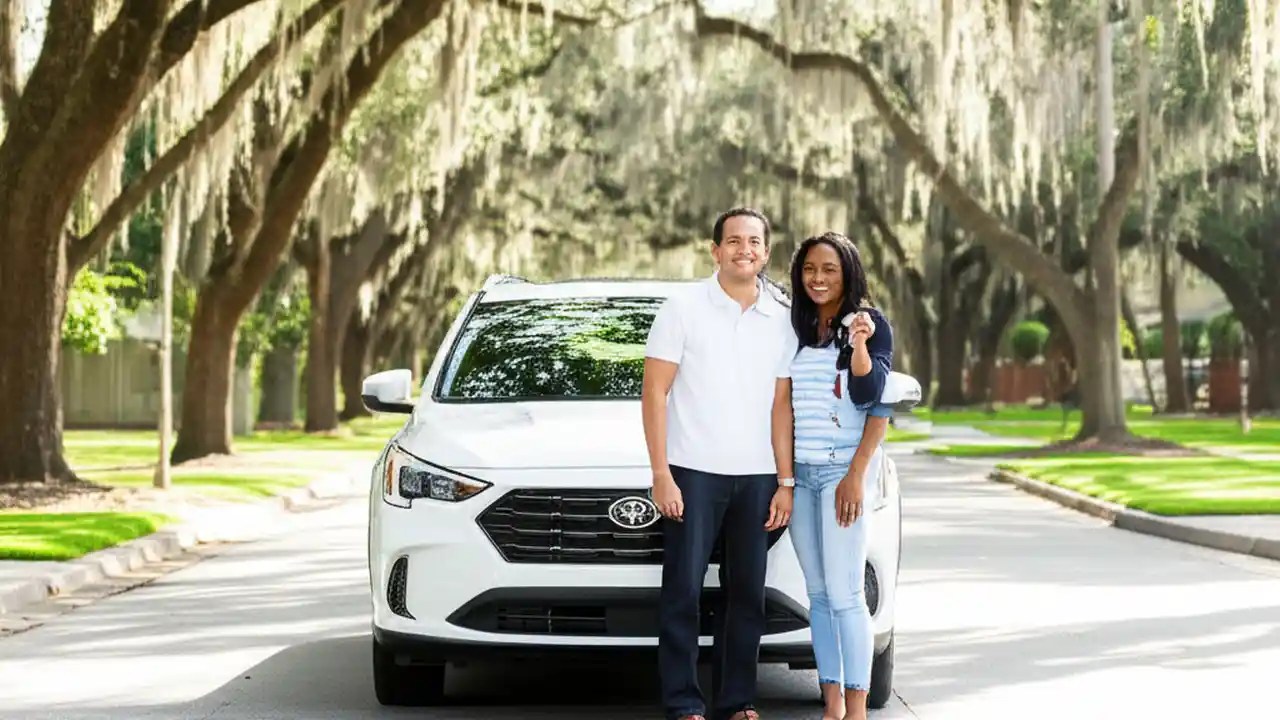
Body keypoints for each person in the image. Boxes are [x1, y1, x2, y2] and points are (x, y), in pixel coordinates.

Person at [642, 207, 797, 720]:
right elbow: (655, 393)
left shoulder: (781, 318)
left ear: (766, 252)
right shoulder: (683, 307)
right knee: (683, 592)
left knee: (746, 594)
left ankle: (737, 701)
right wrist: (661, 473)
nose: (744, 249)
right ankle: (684, 701)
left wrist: (785, 481)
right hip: (693, 473)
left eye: (754, 241)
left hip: (756, 479)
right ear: (715, 250)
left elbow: (781, 406)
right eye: (733, 241)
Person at [770, 232, 893, 720]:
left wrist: (856, 475)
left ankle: (858, 710)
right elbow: (782, 406)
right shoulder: (794, 328)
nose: (818, 279)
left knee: (845, 594)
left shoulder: (869, 323)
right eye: (809, 270)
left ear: (848, 275)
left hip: (844, 472)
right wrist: (786, 478)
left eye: (829, 270)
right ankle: (833, 705)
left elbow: (875, 399)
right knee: (818, 594)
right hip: (802, 475)